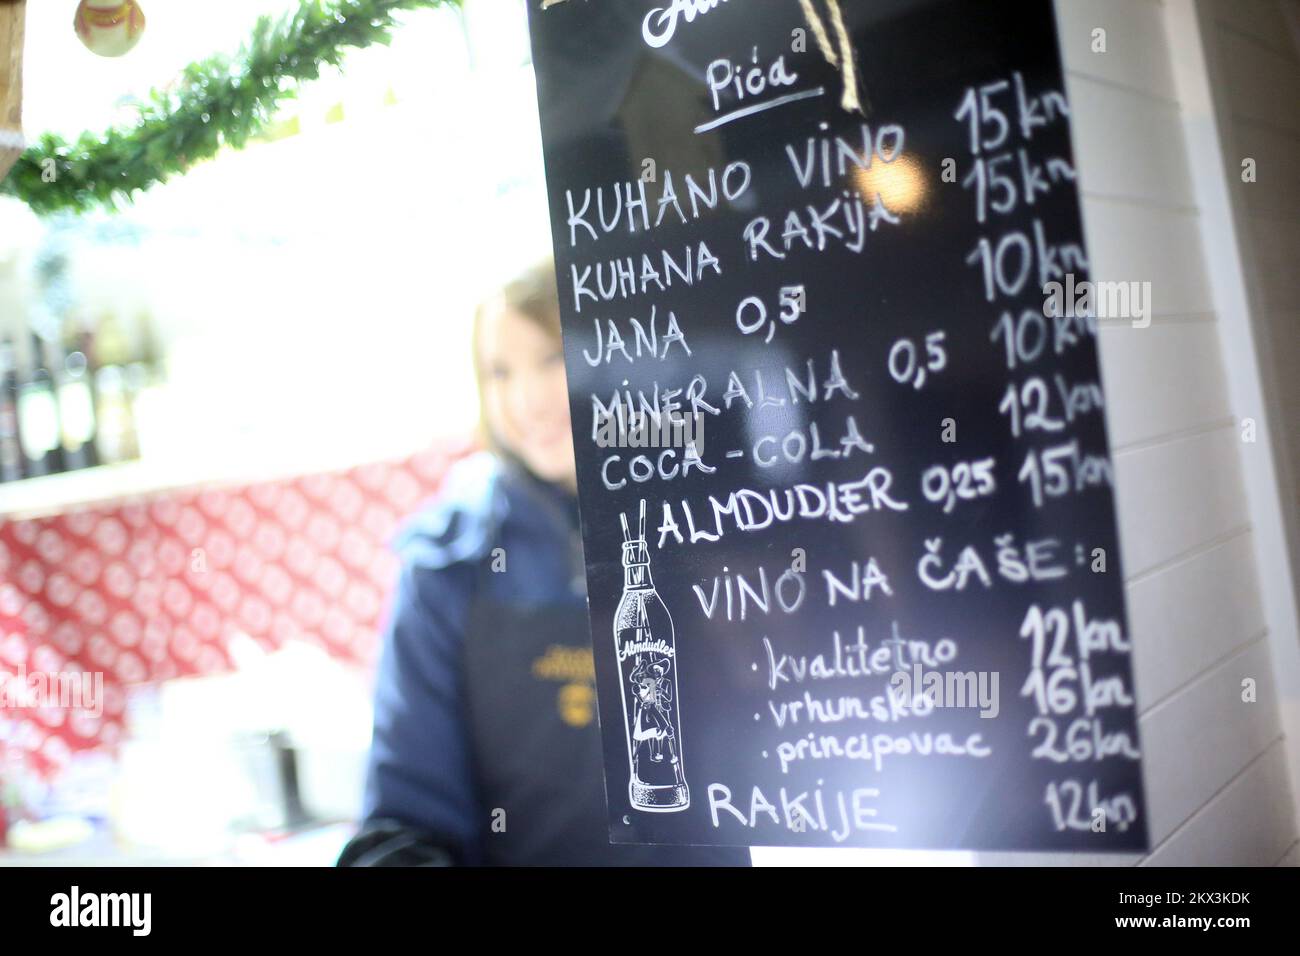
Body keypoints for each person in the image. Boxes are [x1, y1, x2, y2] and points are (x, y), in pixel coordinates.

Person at [338, 262, 750, 867]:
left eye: (553, 358)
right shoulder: (447, 564)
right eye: (499, 373)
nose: (527, 399)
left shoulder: (722, 525)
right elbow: (406, 819)